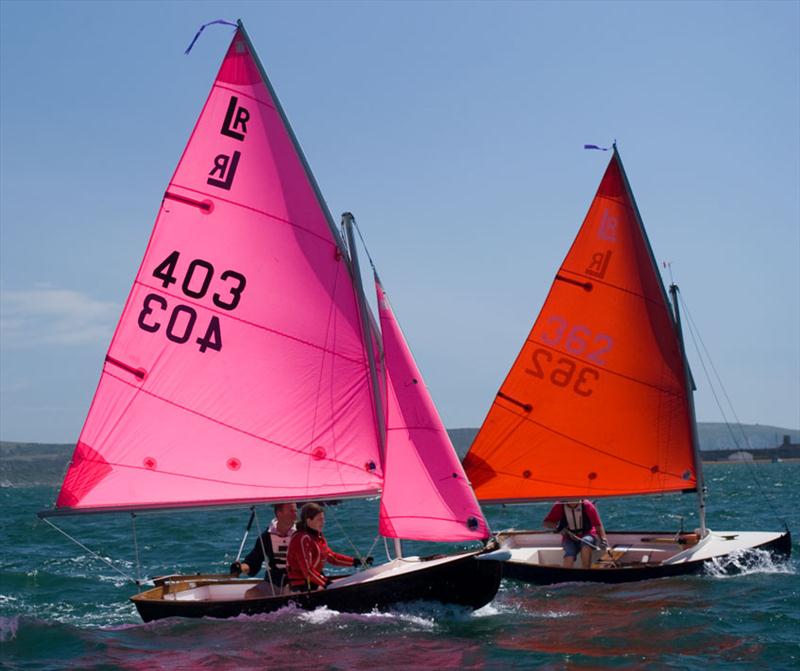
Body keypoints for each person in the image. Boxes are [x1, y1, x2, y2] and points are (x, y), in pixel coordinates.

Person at [286, 502, 373, 592]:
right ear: (309, 521)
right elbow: (307, 571)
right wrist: (327, 584)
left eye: (323, 519)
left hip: (315, 581)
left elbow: (332, 558)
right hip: (302, 585)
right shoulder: (301, 539)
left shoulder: (318, 536)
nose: (323, 522)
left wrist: (357, 561)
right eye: (319, 520)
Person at [230, 502, 297, 594]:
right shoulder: (266, 537)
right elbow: (253, 562)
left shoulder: (300, 534)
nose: (295, 515)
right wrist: (240, 568)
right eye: (291, 511)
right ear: (279, 513)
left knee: (288, 592)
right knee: (251, 594)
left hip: (295, 583)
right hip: (273, 583)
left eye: (295, 511)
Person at [543, 499, 608, 569]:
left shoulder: (587, 505)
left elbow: (597, 524)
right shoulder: (559, 505)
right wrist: (558, 527)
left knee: (585, 542)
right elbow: (546, 523)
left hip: (588, 534)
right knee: (570, 552)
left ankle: (586, 570)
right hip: (569, 537)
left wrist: (603, 539)